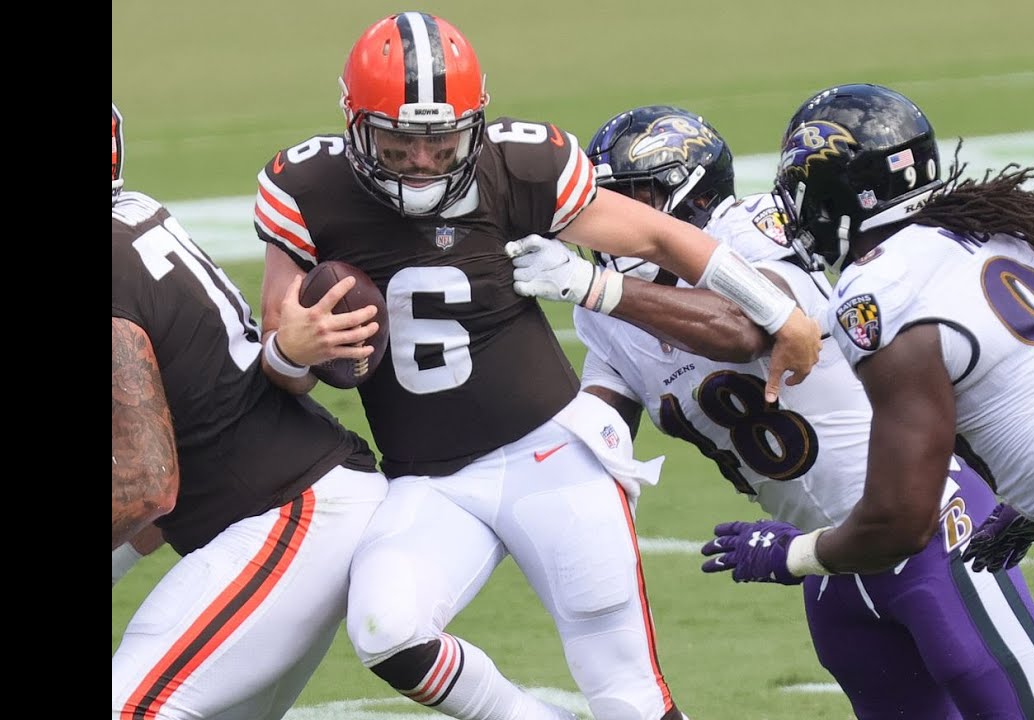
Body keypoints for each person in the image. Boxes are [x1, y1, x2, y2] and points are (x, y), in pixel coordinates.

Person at [253, 12, 823, 720]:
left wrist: (778, 312)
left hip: (552, 455)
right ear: (356, 125)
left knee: (629, 696)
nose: (424, 162)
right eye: (400, 143)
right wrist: (290, 350)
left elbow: (662, 236)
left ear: (474, 123)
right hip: (428, 481)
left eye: (441, 141)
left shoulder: (522, 164)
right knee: (386, 631)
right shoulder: (306, 186)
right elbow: (284, 364)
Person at [508, 104, 1034, 720]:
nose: (613, 219)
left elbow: (748, 327)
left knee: (1020, 708)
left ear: (690, 191)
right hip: (828, 554)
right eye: (606, 200)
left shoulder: (753, 226)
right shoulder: (608, 314)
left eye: (633, 196)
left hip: (926, 515)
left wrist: (593, 286)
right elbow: (596, 433)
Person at [699, 83, 1034, 718]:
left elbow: (900, 521)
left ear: (842, 192)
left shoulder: (878, 291)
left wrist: (791, 553)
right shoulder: (995, 230)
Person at [111, 102, 390, 718]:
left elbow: (146, 484)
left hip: (289, 513)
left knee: (131, 707)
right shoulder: (133, 216)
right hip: (294, 508)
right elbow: (175, 463)